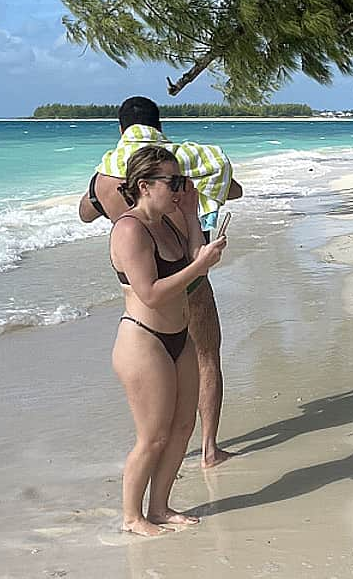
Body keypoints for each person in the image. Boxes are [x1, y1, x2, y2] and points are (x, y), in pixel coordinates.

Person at [80, 96, 240, 468]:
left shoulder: (105, 176)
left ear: (120, 130)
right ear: (159, 127)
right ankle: (209, 449)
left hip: (135, 277)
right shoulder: (180, 167)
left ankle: (161, 446)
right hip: (185, 265)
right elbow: (233, 190)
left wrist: (103, 193)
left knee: (153, 362)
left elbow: (85, 214)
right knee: (205, 355)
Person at [109, 145, 227, 536]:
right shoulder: (130, 229)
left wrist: (192, 214)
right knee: (152, 436)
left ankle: (158, 507)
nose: (179, 187)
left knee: (181, 429)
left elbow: (194, 268)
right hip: (144, 341)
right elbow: (152, 293)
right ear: (144, 185)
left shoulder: (167, 221)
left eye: (182, 181)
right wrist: (200, 264)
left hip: (180, 336)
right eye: (172, 181)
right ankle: (132, 516)